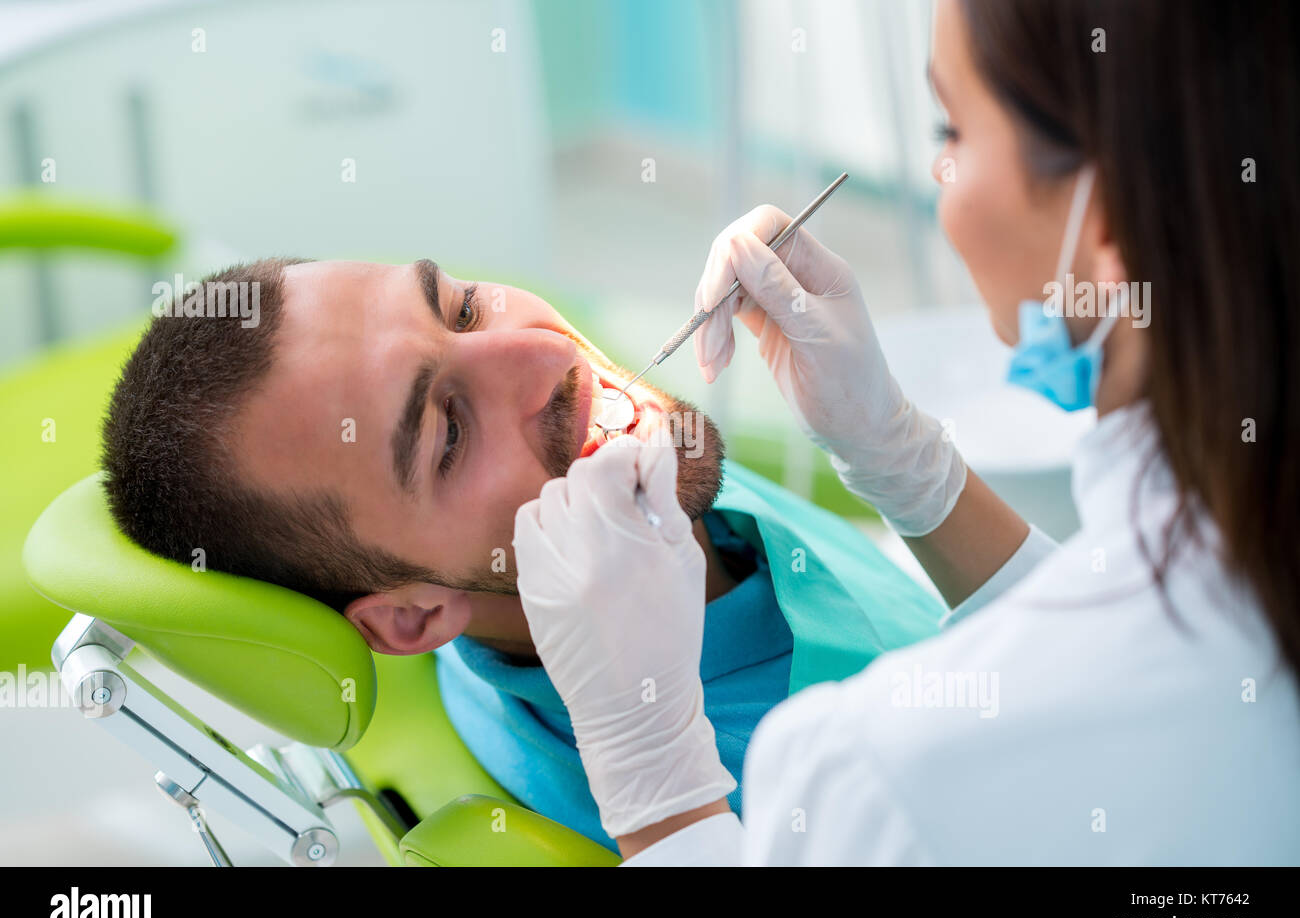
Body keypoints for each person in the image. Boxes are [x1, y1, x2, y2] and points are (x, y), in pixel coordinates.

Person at [511, 0, 1300, 864]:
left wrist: (657, 788)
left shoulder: (876, 776)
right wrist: (901, 457)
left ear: (1111, 220)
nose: (938, 173)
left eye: (951, 128)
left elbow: (1110, 672)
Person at [101, 256, 945, 850]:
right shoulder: (776, 794)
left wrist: (904, 458)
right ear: (413, 613)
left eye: (463, 307)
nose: (548, 351)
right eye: (449, 431)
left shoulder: (634, 495)